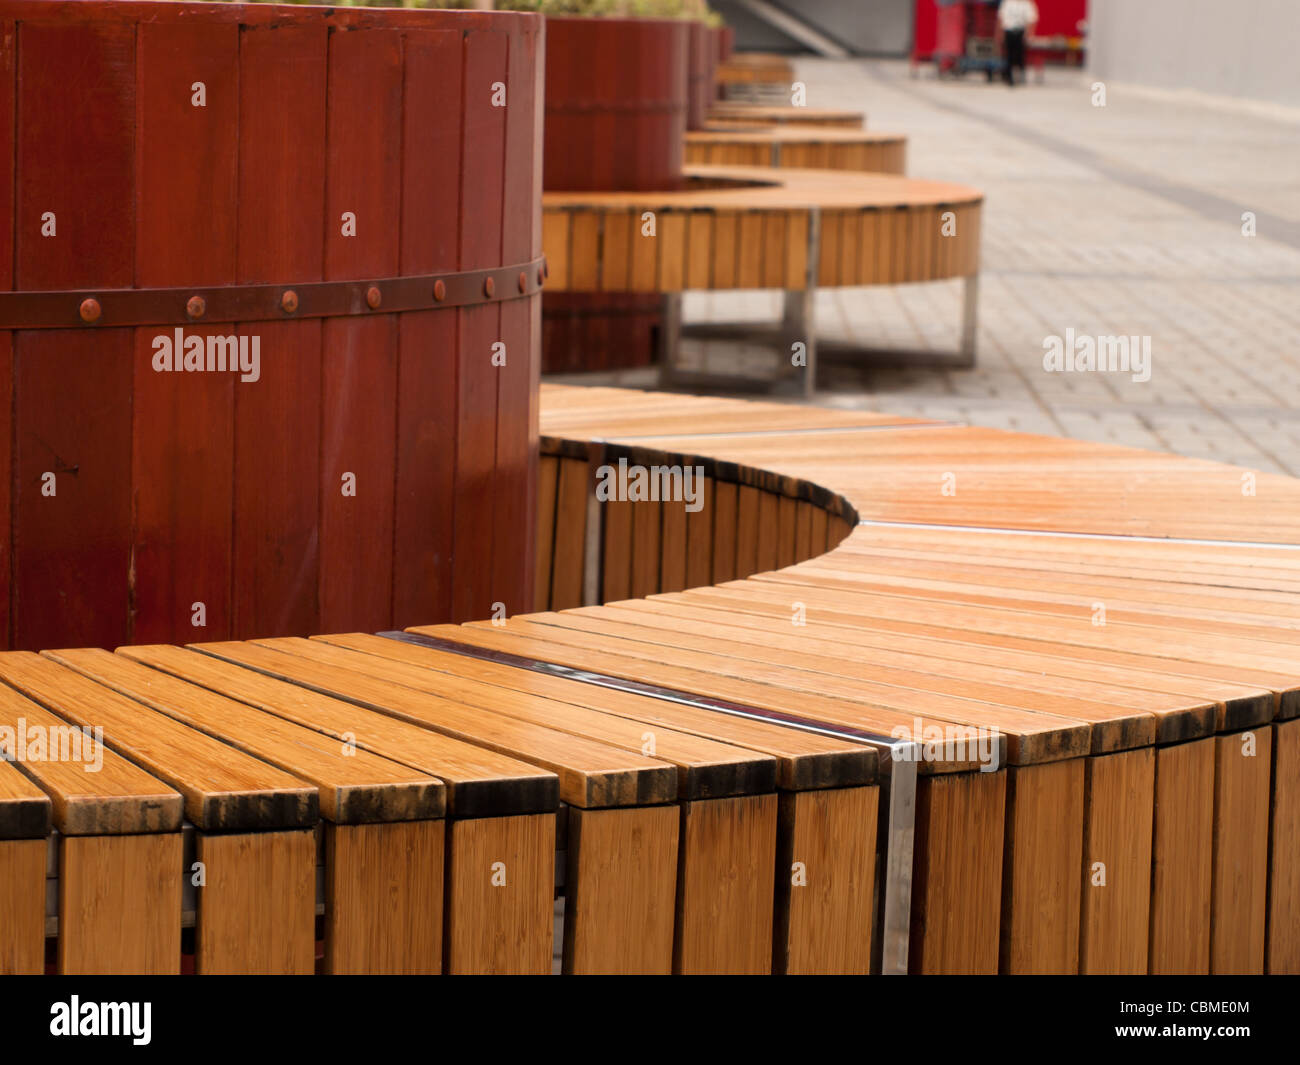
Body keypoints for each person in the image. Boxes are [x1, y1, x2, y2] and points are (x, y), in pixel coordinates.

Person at [998, 0, 1038, 86]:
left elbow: (1032, 19)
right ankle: (1009, 76)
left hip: (1021, 31)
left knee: (1020, 55)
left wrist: (1029, 34)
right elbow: (1001, 17)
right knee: (1009, 55)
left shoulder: (1027, 3)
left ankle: (1020, 75)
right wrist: (1000, 33)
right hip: (1009, 30)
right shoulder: (1008, 2)